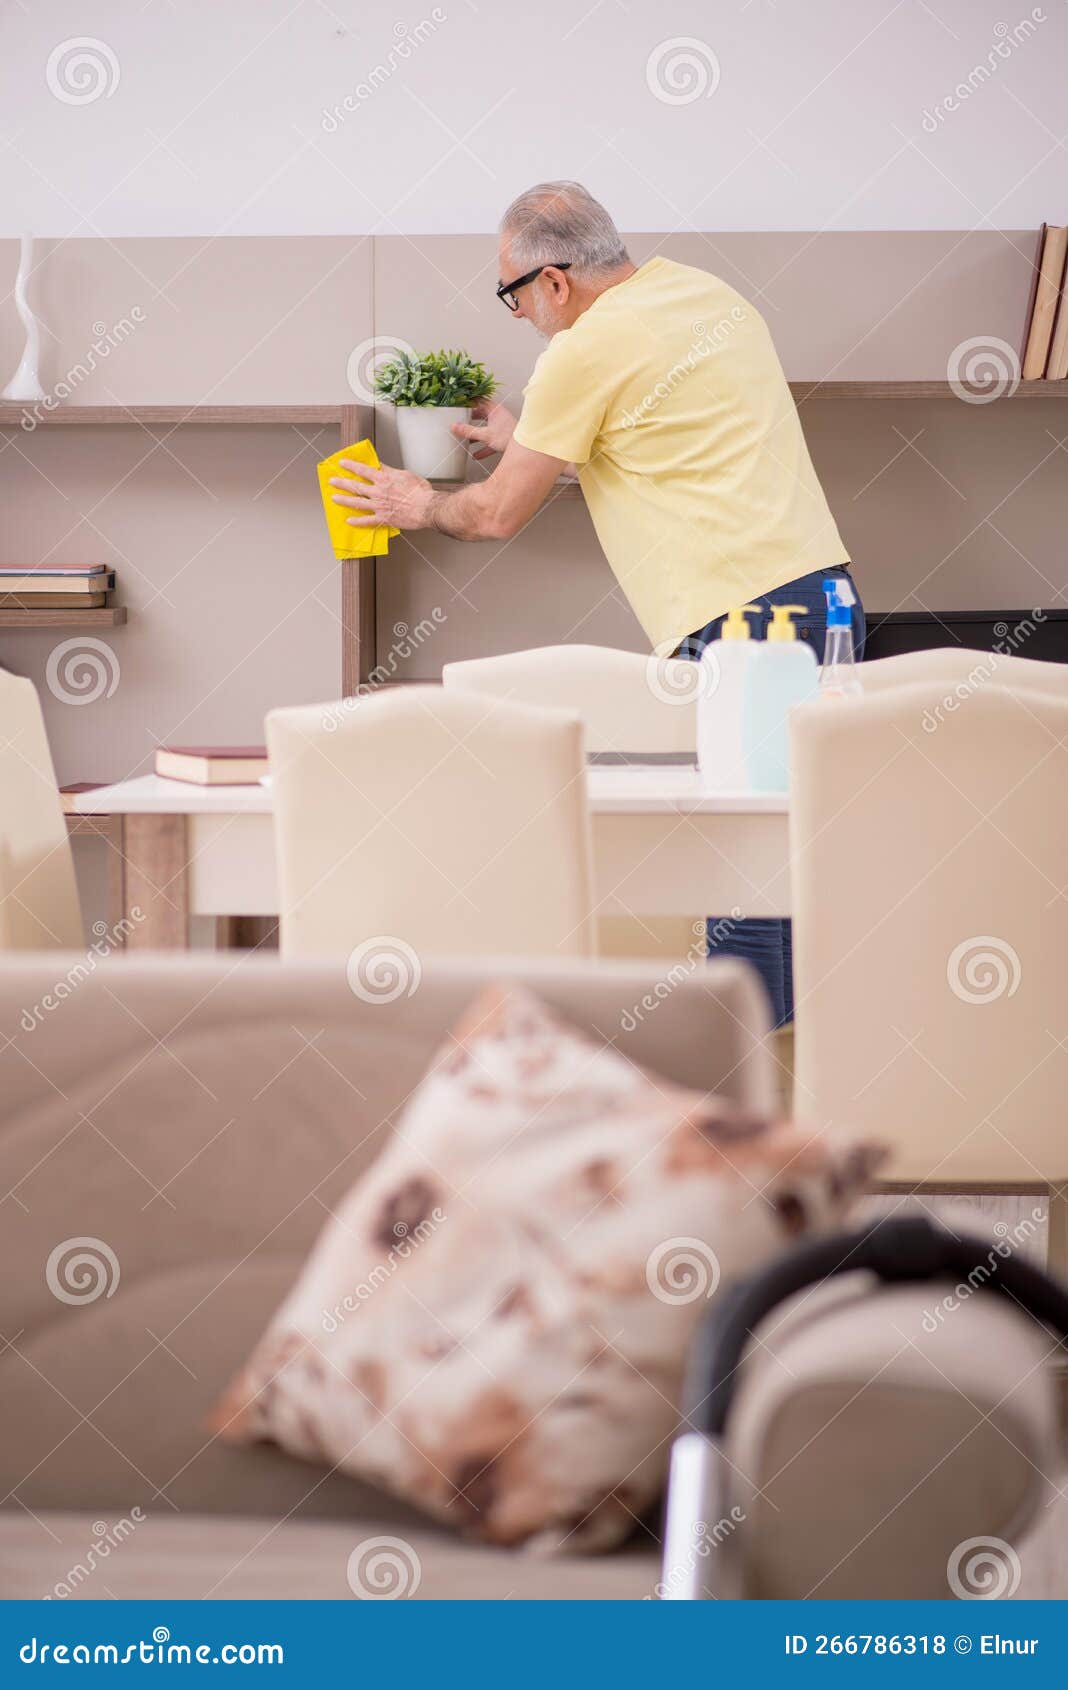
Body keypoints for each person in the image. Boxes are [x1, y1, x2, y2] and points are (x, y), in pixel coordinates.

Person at [331, 180, 864, 1028]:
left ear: (553, 281)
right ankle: (793, 1101)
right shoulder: (706, 295)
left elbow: (497, 513)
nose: (516, 314)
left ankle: (734, 1116)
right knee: (791, 862)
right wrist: (534, 440)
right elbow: (663, 450)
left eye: (512, 293)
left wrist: (416, 504)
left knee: (743, 878)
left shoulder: (583, 353)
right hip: (824, 597)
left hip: (740, 624)